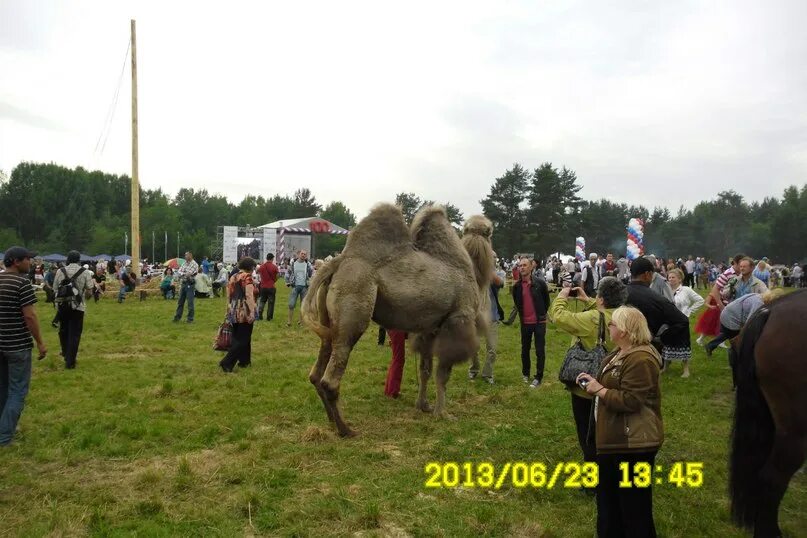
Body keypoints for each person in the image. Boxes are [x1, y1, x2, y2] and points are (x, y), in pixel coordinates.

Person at [576, 306, 663, 538]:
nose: (609, 326)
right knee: (610, 504)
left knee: (634, 507)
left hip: (633, 445)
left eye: (612, 323)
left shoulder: (641, 359)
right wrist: (594, 382)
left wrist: (600, 390)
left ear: (624, 330)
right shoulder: (620, 353)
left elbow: (632, 400)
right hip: (615, 441)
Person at [549, 276, 627, 466]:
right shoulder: (626, 316)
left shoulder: (592, 319)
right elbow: (604, 310)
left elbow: (558, 316)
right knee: (610, 428)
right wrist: (588, 300)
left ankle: (593, 470)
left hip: (587, 388)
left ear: (601, 298)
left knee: (588, 431)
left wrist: (562, 296)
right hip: (615, 384)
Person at [0, 247, 47, 446]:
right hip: (17, 345)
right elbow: (30, 316)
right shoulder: (22, 283)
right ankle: (4, 437)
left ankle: (4, 426)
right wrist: (40, 342)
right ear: (16, 261)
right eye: (28, 259)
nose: (31, 262)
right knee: (17, 390)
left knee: (2, 388)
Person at [625, 257, 691, 364]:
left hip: (622, 347)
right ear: (647, 274)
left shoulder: (619, 294)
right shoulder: (657, 299)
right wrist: (661, 338)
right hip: (647, 351)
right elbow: (682, 320)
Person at [52, 251, 94, 370]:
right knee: (74, 334)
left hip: (62, 306)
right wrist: (84, 297)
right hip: (78, 306)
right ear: (79, 260)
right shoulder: (85, 272)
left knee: (63, 331)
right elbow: (89, 291)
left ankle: (66, 353)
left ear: (68, 259)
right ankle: (70, 362)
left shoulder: (60, 271)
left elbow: (55, 288)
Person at [512, 257, 550, 388]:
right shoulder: (516, 287)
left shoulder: (540, 283)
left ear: (531, 267)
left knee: (539, 350)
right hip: (525, 323)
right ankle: (525, 374)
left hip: (539, 322)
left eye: (524, 265)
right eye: (520, 265)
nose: (522, 267)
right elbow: (517, 303)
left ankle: (538, 377)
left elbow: (546, 301)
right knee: (525, 349)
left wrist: (542, 314)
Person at [468, 259, 505, 384]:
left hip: (492, 318)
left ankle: (487, 374)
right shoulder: (473, 275)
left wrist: (488, 271)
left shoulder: (495, 275)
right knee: (473, 346)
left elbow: (501, 283)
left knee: (492, 349)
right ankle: (474, 369)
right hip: (476, 317)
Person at [219, 257, 257, 372]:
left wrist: (228, 308)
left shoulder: (233, 276)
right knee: (243, 338)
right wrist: (252, 311)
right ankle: (227, 362)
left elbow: (229, 294)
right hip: (244, 309)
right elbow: (249, 295)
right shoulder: (247, 277)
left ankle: (244, 361)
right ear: (250, 267)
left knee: (238, 337)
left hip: (234, 308)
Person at [666, 268, 704, 378]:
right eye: (669, 277)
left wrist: (689, 311)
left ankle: (686, 368)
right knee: (668, 343)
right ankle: (666, 365)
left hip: (682, 321)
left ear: (680, 279)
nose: (671, 279)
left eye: (673, 277)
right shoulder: (666, 290)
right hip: (669, 321)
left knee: (683, 343)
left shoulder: (686, 290)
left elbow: (700, 300)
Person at [286, 250, 312, 327]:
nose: (303, 255)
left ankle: (301, 322)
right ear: (298, 254)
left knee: (303, 305)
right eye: (302, 254)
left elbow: (311, 273)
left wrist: (309, 281)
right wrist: (287, 281)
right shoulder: (293, 263)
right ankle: (289, 322)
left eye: (305, 254)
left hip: (304, 287)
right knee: (291, 304)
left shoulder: (308, 264)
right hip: (295, 286)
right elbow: (288, 272)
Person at [173, 252, 199, 323]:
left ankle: (190, 319)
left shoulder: (194, 264)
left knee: (190, 302)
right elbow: (179, 272)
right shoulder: (184, 263)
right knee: (180, 302)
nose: (185, 256)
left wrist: (183, 274)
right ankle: (177, 317)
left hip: (190, 284)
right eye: (185, 255)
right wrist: (184, 274)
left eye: (187, 255)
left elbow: (190, 274)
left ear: (190, 256)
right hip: (183, 283)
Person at [384, 330, 407, 398]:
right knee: (398, 359)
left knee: (396, 358)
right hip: (397, 329)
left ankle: (389, 390)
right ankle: (393, 391)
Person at [257, 253, 279, 321]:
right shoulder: (274, 267)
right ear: (272, 258)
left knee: (262, 300)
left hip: (263, 286)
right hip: (271, 286)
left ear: (266, 258)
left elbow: (257, 272)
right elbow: (277, 275)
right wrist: (274, 280)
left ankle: (260, 313)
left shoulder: (262, 266)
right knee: (271, 302)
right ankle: (269, 317)